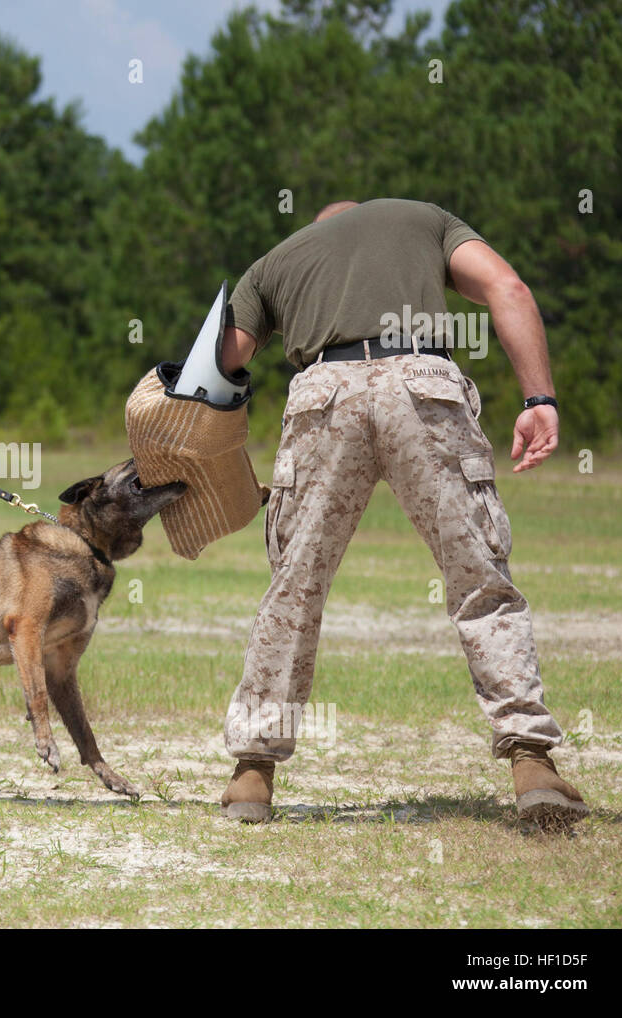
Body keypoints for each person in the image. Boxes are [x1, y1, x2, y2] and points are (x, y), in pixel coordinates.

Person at [215, 198, 588, 829]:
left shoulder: (277, 261)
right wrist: (538, 397)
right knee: (479, 580)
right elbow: (508, 286)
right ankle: (531, 763)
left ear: (321, 231)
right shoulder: (424, 220)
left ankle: (253, 776)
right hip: (423, 383)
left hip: (322, 394)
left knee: (294, 589)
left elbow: (229, 357)